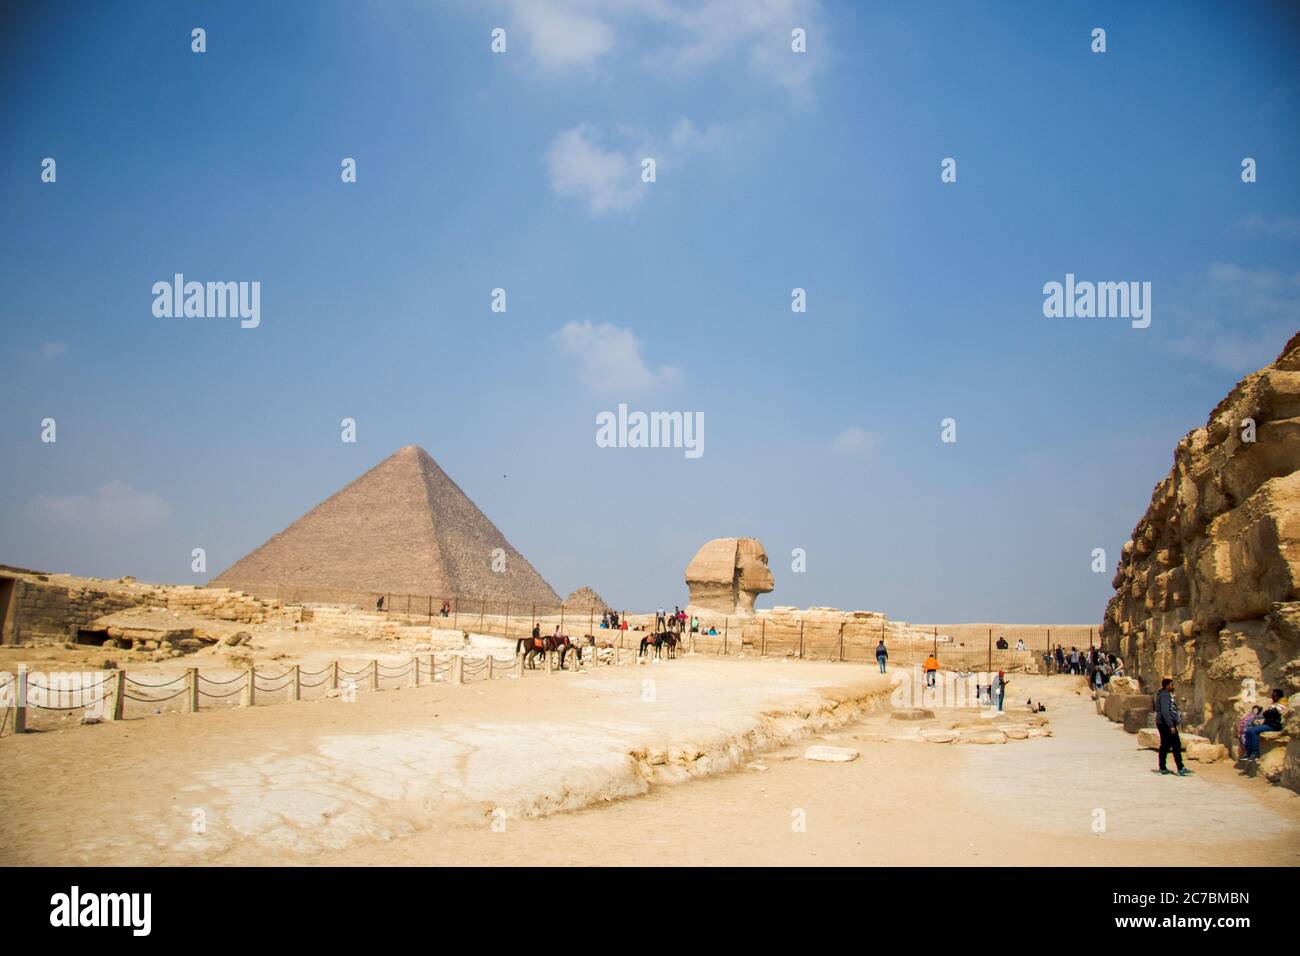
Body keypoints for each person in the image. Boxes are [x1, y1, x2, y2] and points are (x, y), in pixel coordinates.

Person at [1154, 677, 1192, 776]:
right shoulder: (1165, 696)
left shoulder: (1162, 694)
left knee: (1166, 745)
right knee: (1175, 745)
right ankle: (1180, 768)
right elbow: (1165, 712)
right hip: (1166, 724)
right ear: (1167, 686)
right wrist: (1171, 725)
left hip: (1163, 723)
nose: (1173, 687)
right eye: (1171, 685)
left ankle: (1163, 767)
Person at [1243, 690, 1288, 759]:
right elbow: (1267, 713)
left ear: (1278, 696)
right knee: (1248, 731)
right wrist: (1267, 713)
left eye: (1274, 696)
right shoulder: (1274, 704)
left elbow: (1272, 713)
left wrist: (1267, 712)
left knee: (1253, 731)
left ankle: (1255, 752)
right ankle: (1249, 752)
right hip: (1269, 724)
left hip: (1274, 726)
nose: (1272, 697)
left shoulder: (1283, 703)